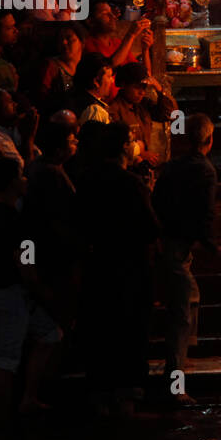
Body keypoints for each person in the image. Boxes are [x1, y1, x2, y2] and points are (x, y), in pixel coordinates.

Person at [74, 121, 159, 416]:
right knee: (129, 334)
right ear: (124, 146)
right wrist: (148, 193)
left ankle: (100, 396)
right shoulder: (131, 184)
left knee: (101, 333)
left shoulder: (86, 180)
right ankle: (126, 401)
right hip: (129, 270)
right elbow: (150, 229)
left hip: (98, 267)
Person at [152, 113, 221, 404]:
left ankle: (179, 374)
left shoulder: (172, 167)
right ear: (210, 141)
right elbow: (205, 217)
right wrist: (216, 249)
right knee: (180, 319)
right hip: (175, 248)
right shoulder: (205, 171)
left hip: (167, 244)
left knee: (187, 306)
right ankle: (174, 387)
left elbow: (158, 203)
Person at [0, 157, 62, 423]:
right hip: (10, 292)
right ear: (12, 182)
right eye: (21, 175)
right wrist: (40, 289)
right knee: (7, 357)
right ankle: (3, 418)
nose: (25, 180)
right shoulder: (13, 219)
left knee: (50, 334)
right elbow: (23, 261)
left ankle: (28, 398)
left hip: (3, 289)